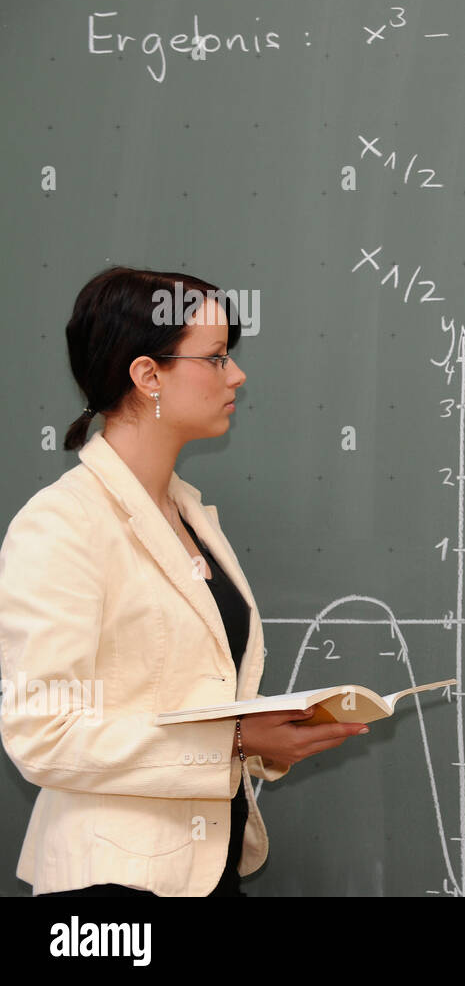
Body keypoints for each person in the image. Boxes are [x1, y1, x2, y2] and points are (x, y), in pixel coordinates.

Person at [0, 266, 369, 897]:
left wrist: (267, 733)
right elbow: (42, 732)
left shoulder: (187, 512)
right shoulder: (63, 524)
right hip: (113, 888)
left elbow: (178, 695)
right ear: (148, 377)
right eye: (218, 358)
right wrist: (231, 737)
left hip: (208, 868)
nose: (237, 375)